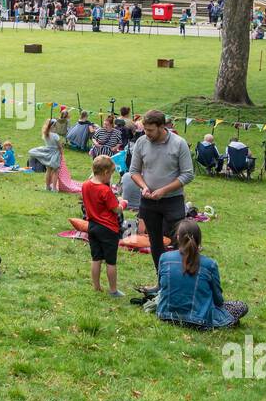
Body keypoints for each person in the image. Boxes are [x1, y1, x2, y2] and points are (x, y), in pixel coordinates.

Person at [129, 110, 194, 281]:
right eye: (145, 129)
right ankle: (162, 280)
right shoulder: (141, 142)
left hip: (172, 200)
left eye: (150, 130)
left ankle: (185, 278)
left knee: (181, 241)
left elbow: (188, 174)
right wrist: (144, 187)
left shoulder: (179, 143)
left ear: (162, 126)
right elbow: (134, 171)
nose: (146, 133)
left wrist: (164, 190)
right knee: (155, 242)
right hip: (149, 201)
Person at [154, 220, 248, 329]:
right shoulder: (210, 264)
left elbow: (161, 288)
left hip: (166, 316)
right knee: (241, 306)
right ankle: (226, 321)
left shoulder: (164, 258)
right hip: (199, 321)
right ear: (199, 240)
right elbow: (218, 300)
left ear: (178, 237)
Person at [83, 154, 125, 297]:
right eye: (111, 174)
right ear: (106, 173)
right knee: (111, 261)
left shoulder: (85, 185)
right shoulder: (105, 190)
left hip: (92, 226)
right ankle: (113, 290)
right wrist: (122, 202)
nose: (110, 178)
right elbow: (116, 209)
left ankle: (96, 286)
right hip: (108, 228)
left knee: (96, 258)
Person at [26, 118, 63, 191]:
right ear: (52, 126)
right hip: (55, 153)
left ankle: (47, 186)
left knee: (48, 170)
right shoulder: (55, 136)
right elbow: (59, 146)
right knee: (55, 170)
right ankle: (54, 188)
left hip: (48, 152)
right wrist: (61, 153)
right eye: (55, 126)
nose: (56, 127)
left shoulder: (45, 134)